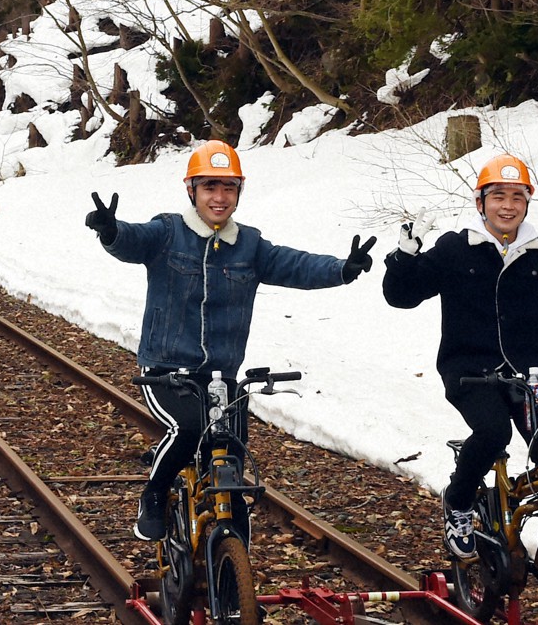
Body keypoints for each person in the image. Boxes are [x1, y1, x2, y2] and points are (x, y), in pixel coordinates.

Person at [85, 139, 378, 541]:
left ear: (240, 192)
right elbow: (133, 240)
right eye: (209, 187)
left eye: (229, 188)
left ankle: (232, 569)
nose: (219, 198)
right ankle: (153, 495)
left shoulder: (250, 245)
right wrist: (111, 231)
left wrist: (343, 269)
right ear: (191, 190)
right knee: (187, 430)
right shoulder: (169, 232)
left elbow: (295, 265)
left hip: (223, 376)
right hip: (167, 372)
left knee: (232, 469)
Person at [382, 153, 538, 559]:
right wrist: (405, 256)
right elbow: (401, 297)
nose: (507, 205)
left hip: (530, 377)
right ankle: (458, 503)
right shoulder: (455, 249)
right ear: (481, 203)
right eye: (497, 196)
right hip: (469, 372)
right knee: (494, 433)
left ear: (527, 203)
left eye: (517, 196)